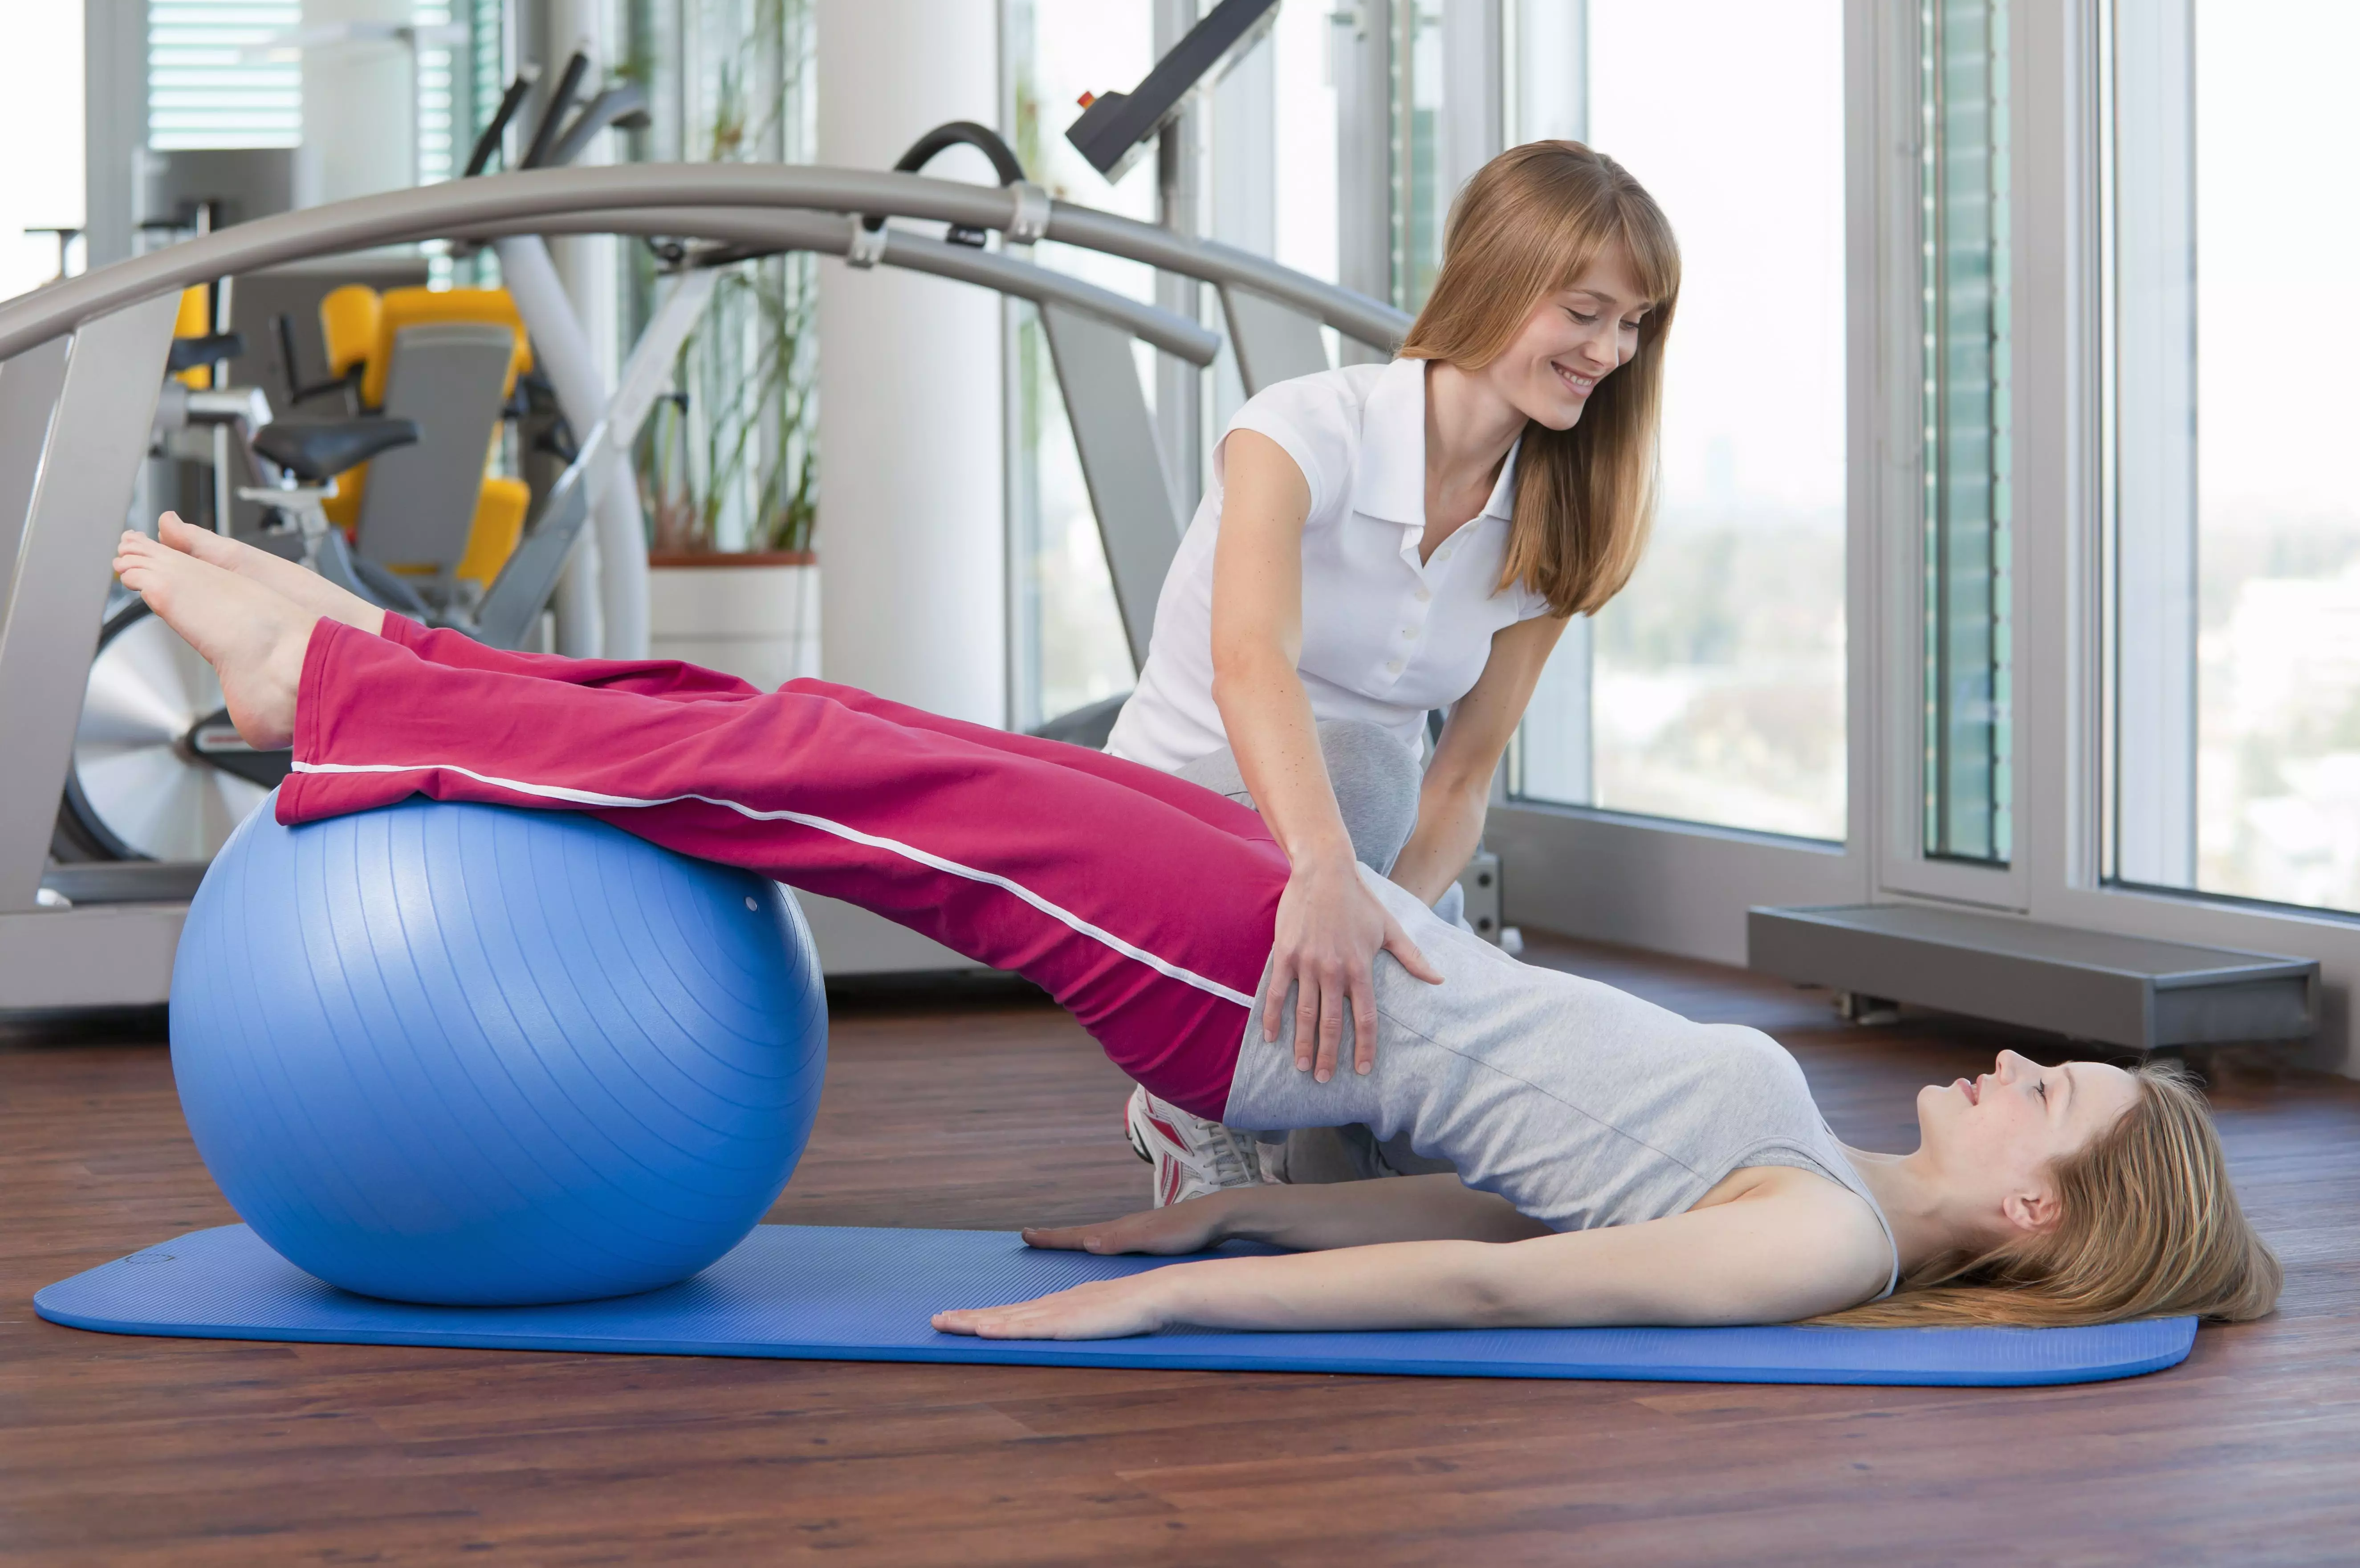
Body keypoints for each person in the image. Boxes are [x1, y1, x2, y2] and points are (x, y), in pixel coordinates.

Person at [113, 519, 2281, 1338]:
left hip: (1250, 998)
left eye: (2054, 1096)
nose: (2017, 1065)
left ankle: (340, 696)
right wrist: (1222, 1233)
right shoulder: (1804, 1146)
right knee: (821, 724)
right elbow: (1489, 1203)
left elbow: (1498, 1294)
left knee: (805, 779)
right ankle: (374, 665)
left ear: (2029, 1204)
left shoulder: (1816, 1241)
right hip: (1281, 934)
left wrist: (1165, 1323)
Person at [1104, 140, 1679, 1206]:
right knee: (1370, 764)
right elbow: (1248, 663)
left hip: (1358, 870)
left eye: (1634, 323)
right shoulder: (1298, 430)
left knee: (1511, 1143)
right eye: (1586, 311)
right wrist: (1329, 878)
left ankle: (1325, 1107)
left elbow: (1461, 784)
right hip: (1186, 828)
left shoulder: (1554, 519)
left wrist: (1388, 940)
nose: (1612, 351)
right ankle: (1186, 1101)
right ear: (1496, 278)